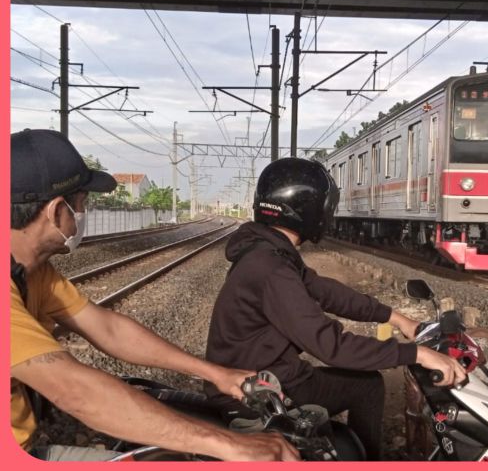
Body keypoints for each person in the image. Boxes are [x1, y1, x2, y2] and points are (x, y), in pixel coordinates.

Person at [9, 129, 299, 462]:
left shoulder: (31, 271)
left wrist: (214, 373)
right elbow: (76, 392)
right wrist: (228, 445)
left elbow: (109, 329)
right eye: (82, 203)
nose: (82, 213)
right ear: (56, 210)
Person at [205, 157, 466, 460]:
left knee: (353, 381)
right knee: (367, 386)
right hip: (256, 391)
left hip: (260, 374)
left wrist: (395, 318)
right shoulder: (272, 269)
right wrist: (416, 354)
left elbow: (326, 291)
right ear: (309, 210)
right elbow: (331, 346)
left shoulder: (266, 252)